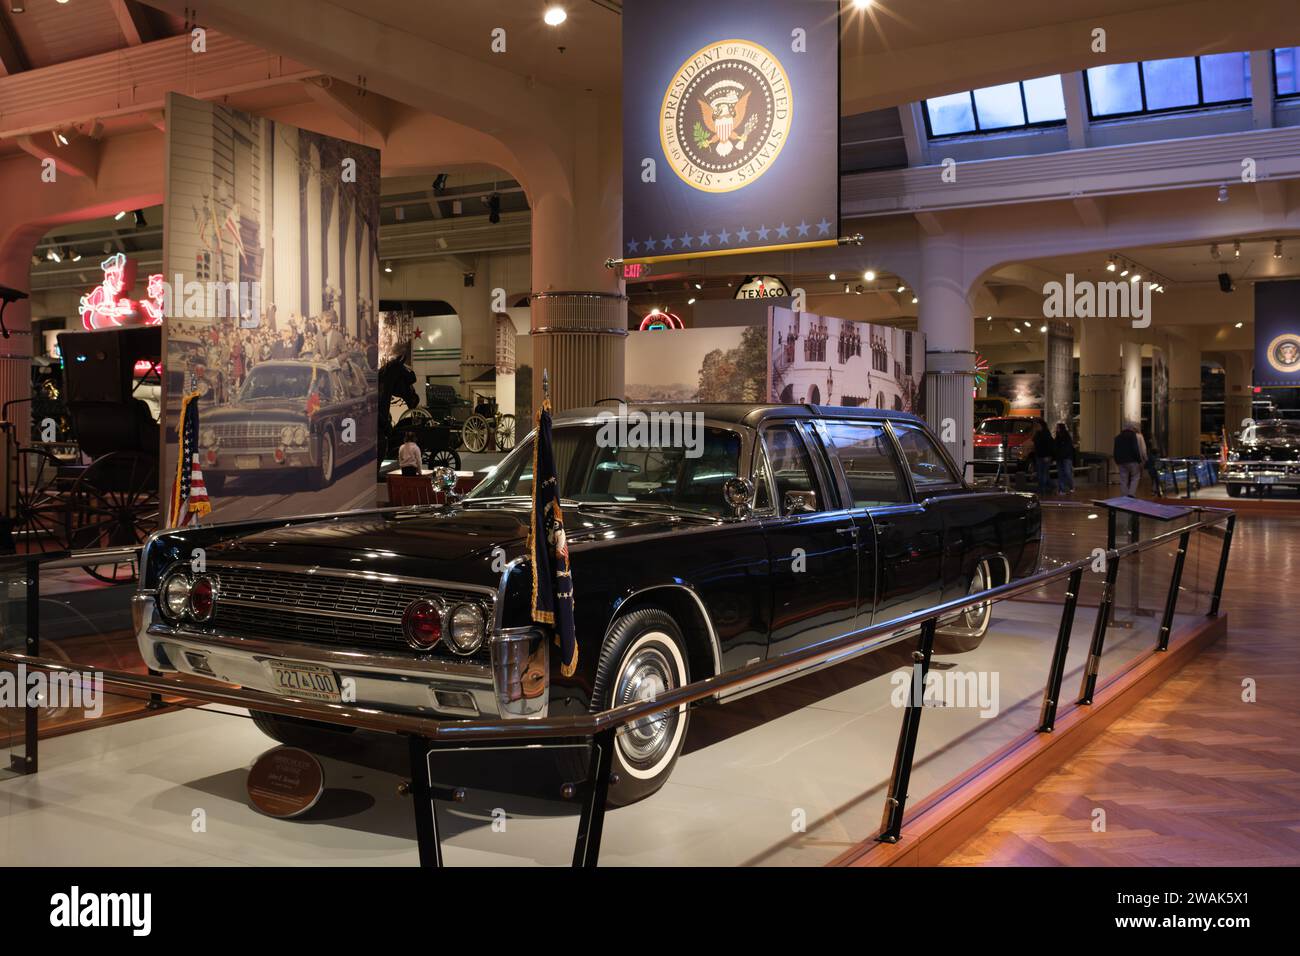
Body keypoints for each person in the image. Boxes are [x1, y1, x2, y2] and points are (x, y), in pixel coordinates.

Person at [1114, 421, 1146, 496]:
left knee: (1123, 479)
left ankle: (1124, 495)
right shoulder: (1132, 436)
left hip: (1121, 461)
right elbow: (1135, 449)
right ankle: (1131, 494)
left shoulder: (1117, 437)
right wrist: (1139, 460)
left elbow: (1115, 450)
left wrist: (1117, 460)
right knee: (1135, 476)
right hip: (1132, 460)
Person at [1031, 419, 1055, 495]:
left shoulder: (1046, 434)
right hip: (1039, 456)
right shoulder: (1037, 434)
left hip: (1045, 456)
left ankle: (1042, 489)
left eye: (1038, 425)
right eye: (1036, 426)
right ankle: (1050, 486)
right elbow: (1034, 442)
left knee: (1043, 473)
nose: (1037, 427)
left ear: (1042, 426)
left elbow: (1049, 446)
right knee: (1041, 473)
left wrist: (1048, 456)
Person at [1054, 422, 1076, 494]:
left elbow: (1068, 448)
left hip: (1066, 457)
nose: (1056, 429)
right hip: (1059, 458)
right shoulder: (1057, 437)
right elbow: (1055, 447)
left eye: (1058, 427)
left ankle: (1071, 486)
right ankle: (1062, 489)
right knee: (1060, 473)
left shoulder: (1067, 436)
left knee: (1067, 472)